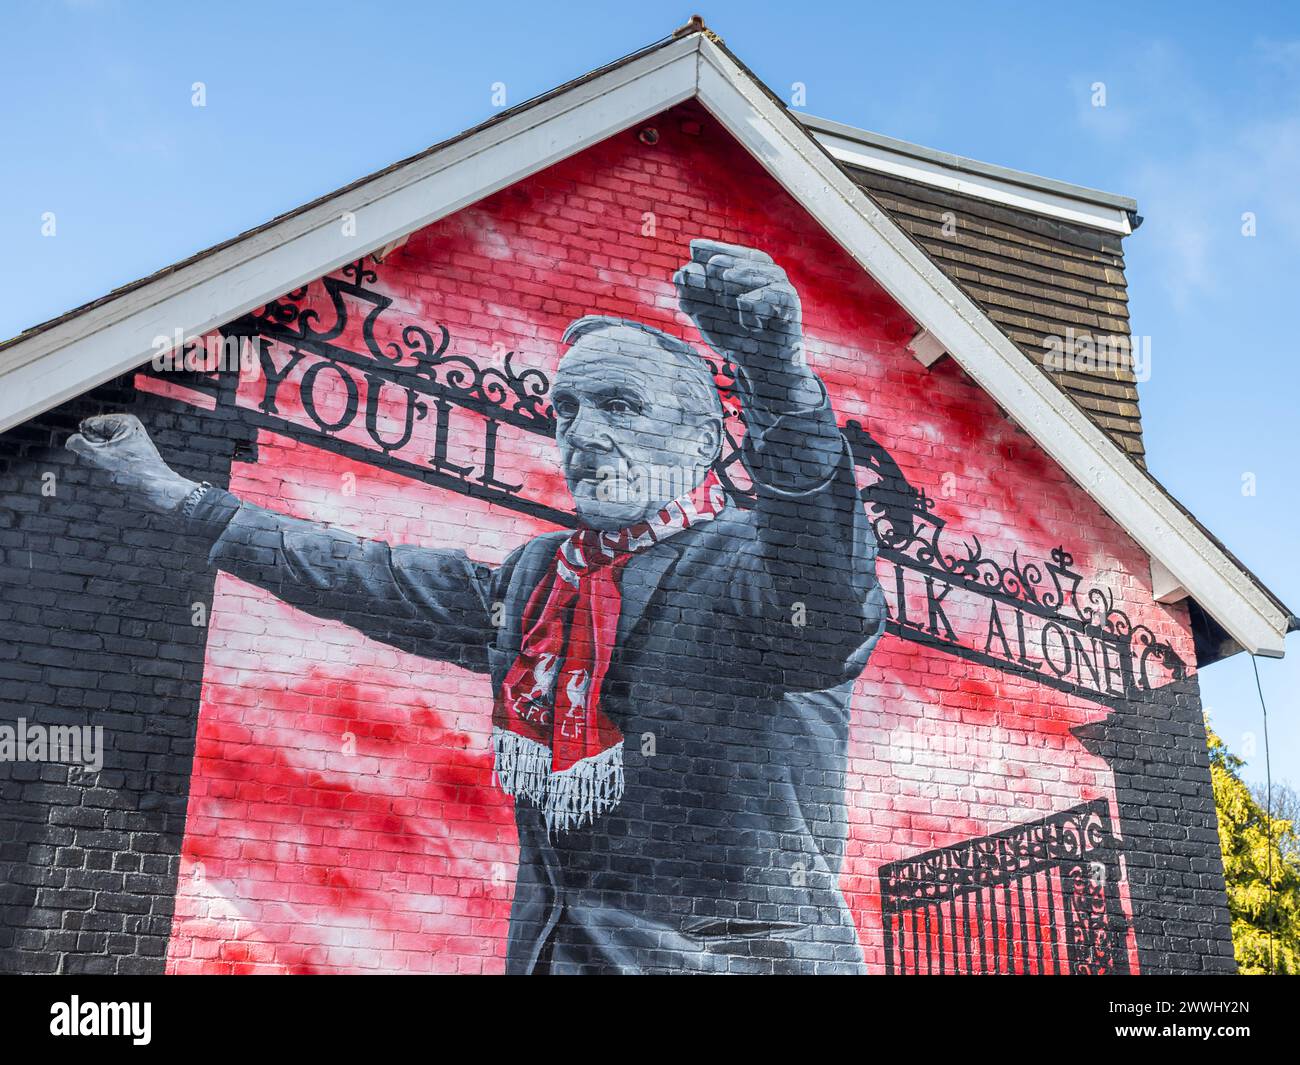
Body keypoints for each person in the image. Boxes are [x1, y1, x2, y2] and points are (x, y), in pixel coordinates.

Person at [68, 240, 887, 974]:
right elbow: (364, 576)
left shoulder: (756, 565)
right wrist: (181, 500)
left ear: (704, 443)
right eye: (567, 409)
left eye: (621, 407)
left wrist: (777, 378)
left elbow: (826, 581)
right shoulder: (541, 581)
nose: (584, 434)